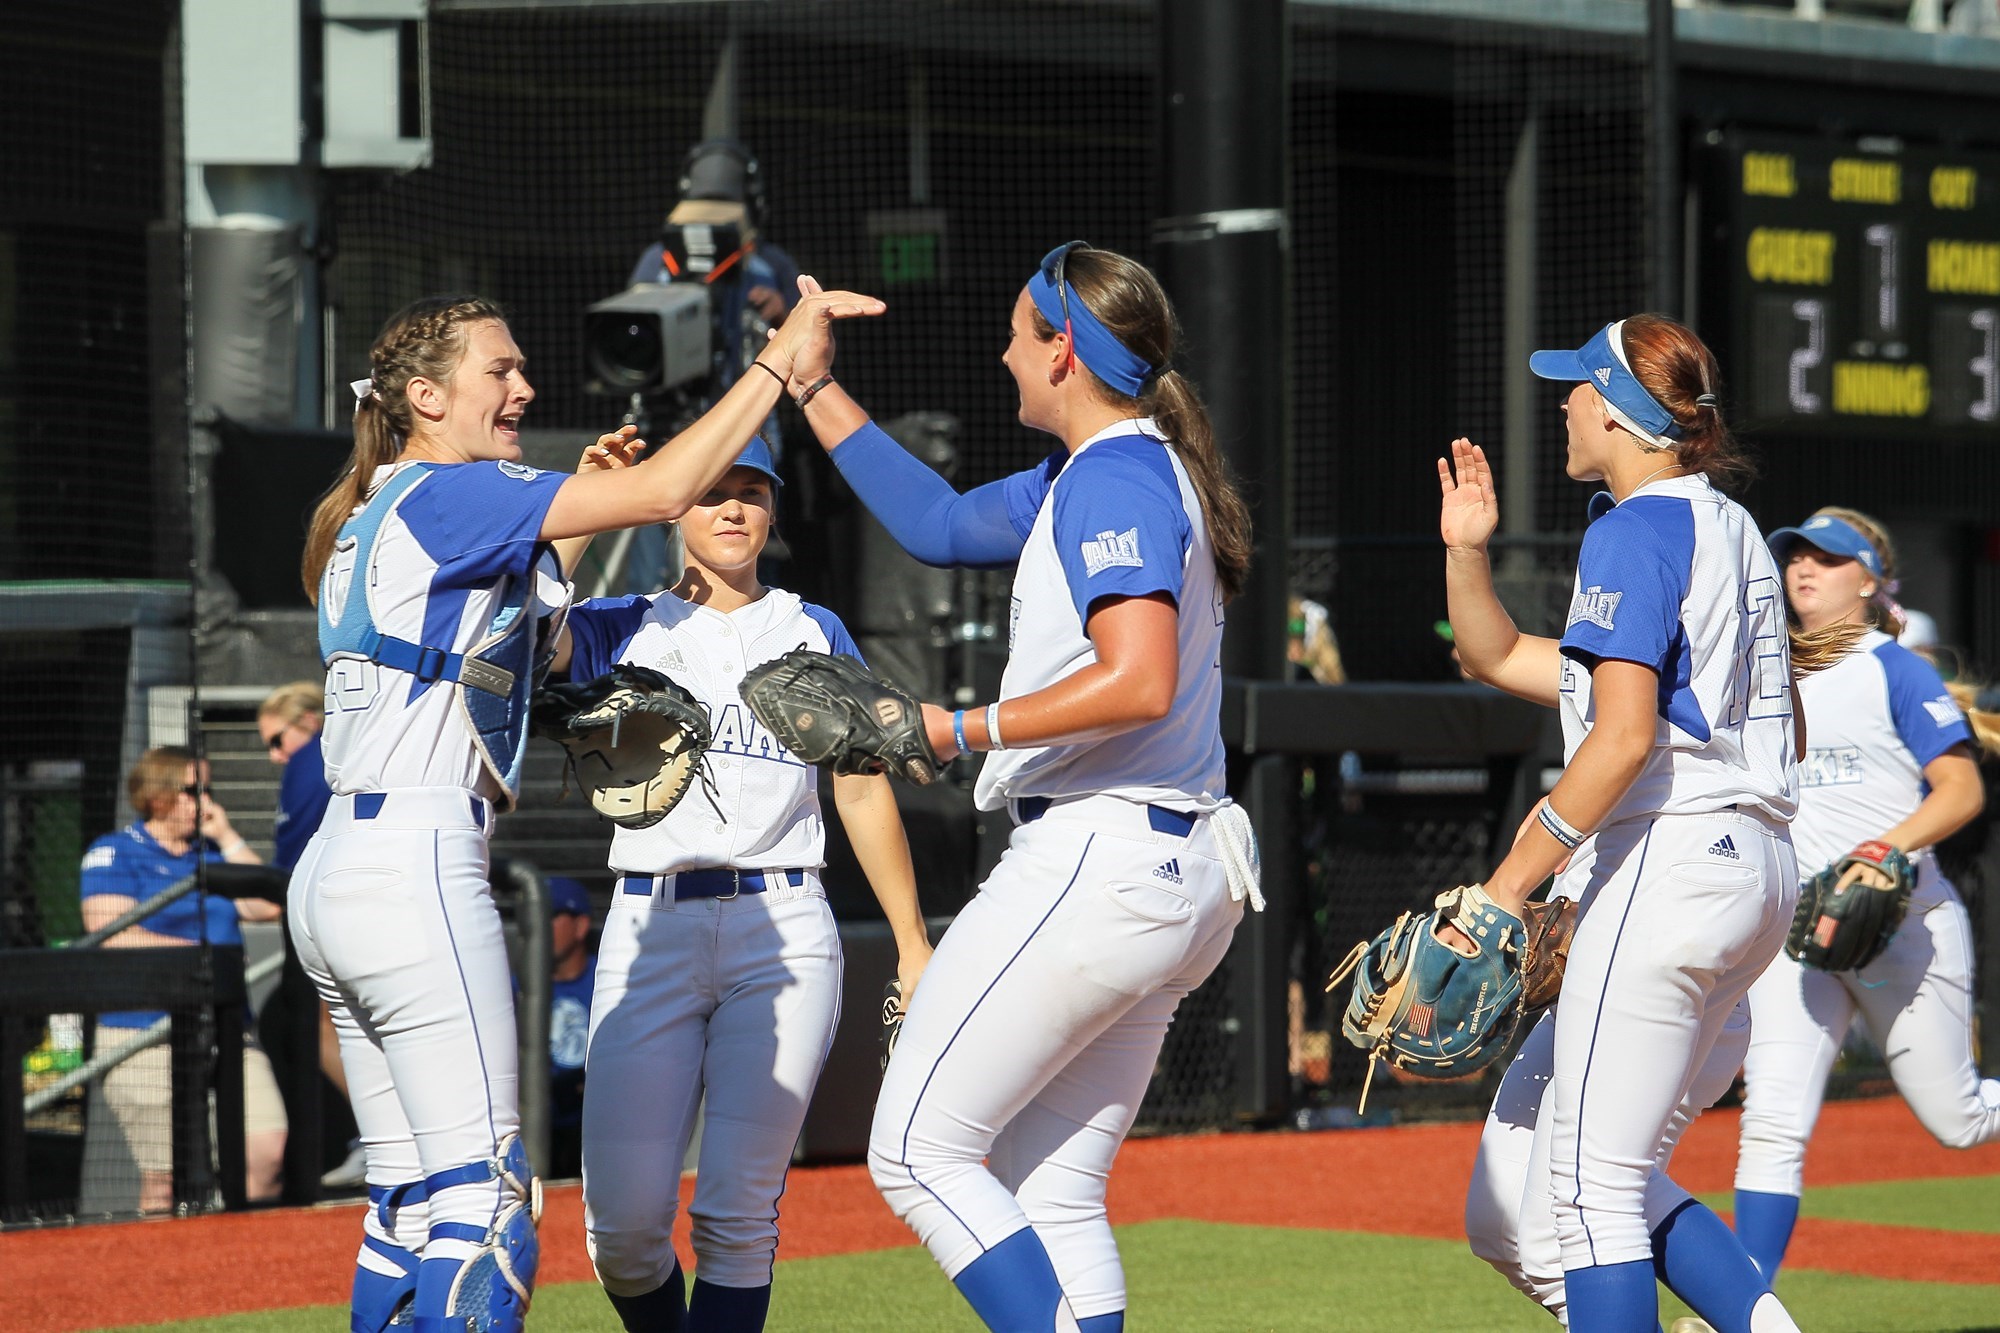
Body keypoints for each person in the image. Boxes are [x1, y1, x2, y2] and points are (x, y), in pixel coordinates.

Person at [288, 281, 880, 1333]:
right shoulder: (450, 492)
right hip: (417, 863)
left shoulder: (375, 505)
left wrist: (557, 532)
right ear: (424, 395)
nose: (522, 383)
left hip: (337, 868)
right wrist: (776, 364)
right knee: (487, 1210)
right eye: (497, 368)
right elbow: (662, 493)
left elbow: (509, 629)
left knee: (406, 1205)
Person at [785, 243, 1260, 1332]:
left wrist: (955, 728)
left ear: (1062, 350)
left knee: (913, 1149)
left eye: (1016, 330)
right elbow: (938, 524)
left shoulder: (1117, 473)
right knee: (1048, 1187)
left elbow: (1137, 679)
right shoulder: (1105, 467)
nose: (1001, 351)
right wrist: (810, 383)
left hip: (1101, 859)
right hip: (1169, 864)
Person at [1441, 315, 1805, 1333]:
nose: (1561, 402)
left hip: (1668, 864)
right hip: (1747, 871)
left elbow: (1624, 736)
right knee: (1529, 1200)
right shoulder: (1724, 529)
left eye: (1573, 388)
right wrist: (1464, 553)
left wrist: (1505, 885)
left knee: (1589, 1194)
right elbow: (1500, 655)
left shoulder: (1637, 527)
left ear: (1612, 409)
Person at [552, 436, 932, 1332]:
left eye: (751, 492)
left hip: (785, 924)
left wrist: (912, 940)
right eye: (711, 490)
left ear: (773, 510)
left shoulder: (812, 627)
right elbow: (528, 632)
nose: (731, 507)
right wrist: (582, 512)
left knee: (735, 1213)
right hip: (649, 925)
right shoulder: (619, 623)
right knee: (623, 1230)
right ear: (672, 504)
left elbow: (860, 780)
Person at [1723, 509, 1999, 1284]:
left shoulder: (1895, 667)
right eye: (1797, 554)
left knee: (1958, 1120)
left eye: (1829, 557)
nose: (1804, 567)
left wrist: (1884, 849)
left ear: (1870, 582)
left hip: (1903, 926)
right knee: (1771, 1121)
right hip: (1798, 938)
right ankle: (1748, 1307)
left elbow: (1962, 788)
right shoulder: (1761, 670)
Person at [78, 746, 287, 1213]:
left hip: (227, 1029)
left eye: (208, 789)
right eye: (193, 790)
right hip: (146, 1031)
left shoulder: (211, 852)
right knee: (166, 1179)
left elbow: (265, 905)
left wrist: (227, 834)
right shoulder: (115, 852)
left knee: (265, 1151)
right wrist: (199, 960)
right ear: (158, 795)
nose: (205, 800)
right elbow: (108, 931)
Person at [623, 139, 803, 595]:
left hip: (750, 427)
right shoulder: (658, 259)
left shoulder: (770, 264)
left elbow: (809, 345)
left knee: (743, 548)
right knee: (653, 559)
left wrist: (783, 315)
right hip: (666, 423)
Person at [255, 681, 367, 1190]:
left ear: (307, 723)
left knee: (332, 1020)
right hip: (361, 896)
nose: (276, 756)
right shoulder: (334, 752)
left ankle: (382, 1135)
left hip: (339, 903)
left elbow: (289, 865)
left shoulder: (314, 758)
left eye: (277, 740)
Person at [543, 876, 597, 1180]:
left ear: (580, 926)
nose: (537, 925)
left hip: (595, 1128)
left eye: (550, 916)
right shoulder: (517, 985)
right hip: (537, 1126)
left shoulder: (607, 981)